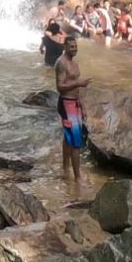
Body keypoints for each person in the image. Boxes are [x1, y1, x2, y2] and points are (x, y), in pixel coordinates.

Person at [55, 36, 91, 182]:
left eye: (75, 46)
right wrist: (79, 84)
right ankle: (77, 177)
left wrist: (81, 104)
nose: (74, 48)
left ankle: (66, 169)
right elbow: (59, 87)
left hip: (74, 103)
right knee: (76, 141)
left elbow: (75, 87)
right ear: (65, 47)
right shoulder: (61, 63)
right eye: (71, 46)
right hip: (66, 104)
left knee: (68, 138)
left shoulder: (74, 63)